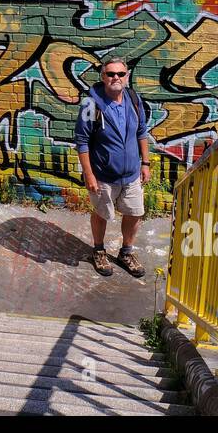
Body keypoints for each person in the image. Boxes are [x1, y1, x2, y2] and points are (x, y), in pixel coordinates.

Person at [74, 57, 151, 277]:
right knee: (101, 214)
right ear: (103, 77)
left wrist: (145, 163)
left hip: (132, 174)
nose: (115, 78)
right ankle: (98, 250)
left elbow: (142, 132)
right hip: (103, 175)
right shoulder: (91, 104)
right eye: (110, 74)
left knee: (135, 213)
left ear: (127, 76)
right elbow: (82, 141)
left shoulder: (134, 99)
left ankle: (126, 252)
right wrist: (89, 175)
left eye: (120, 74)